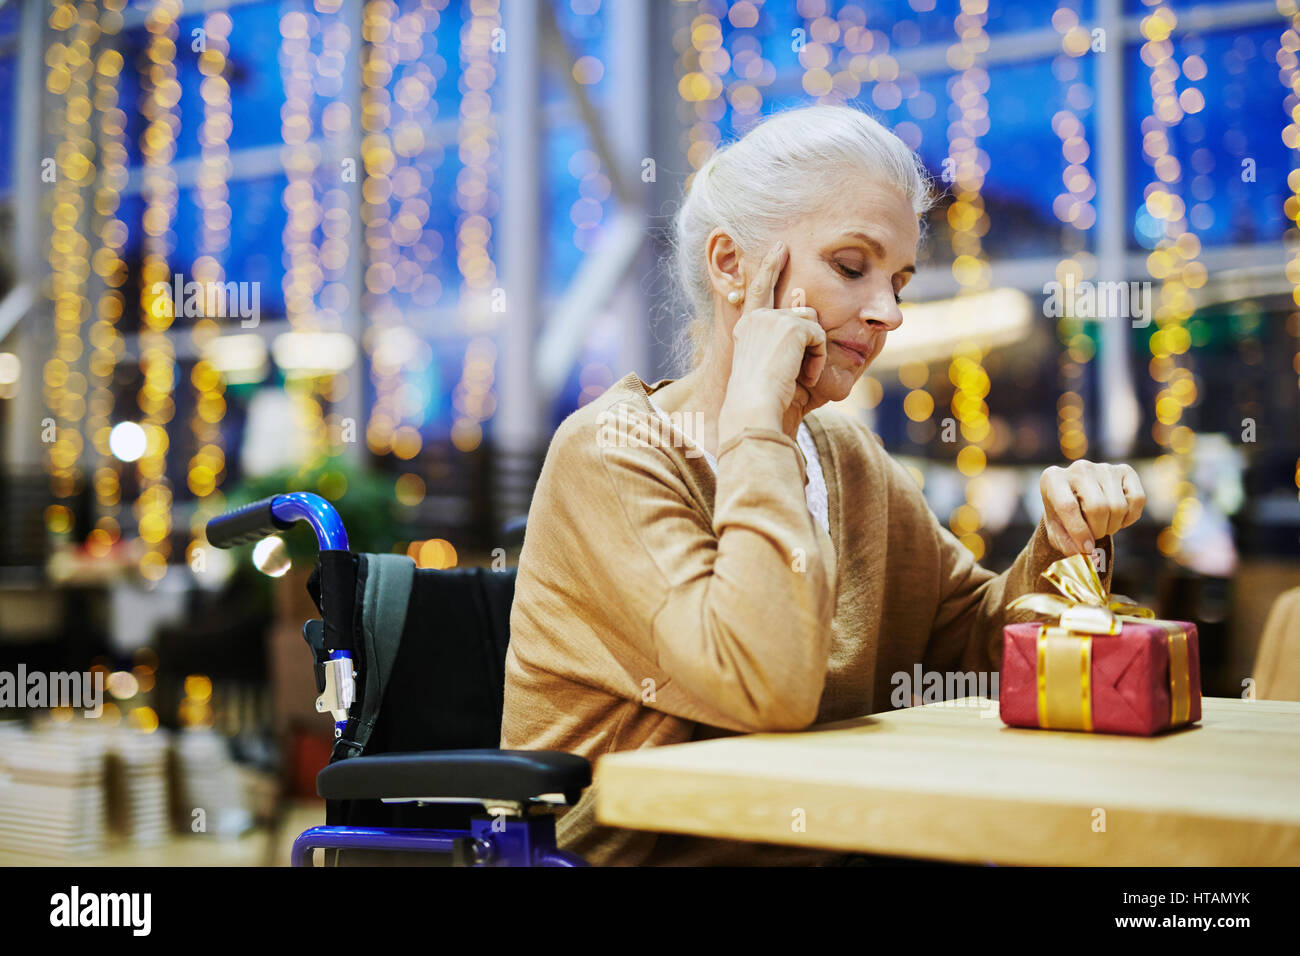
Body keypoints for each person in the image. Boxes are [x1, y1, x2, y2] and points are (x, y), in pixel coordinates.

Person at [501, 104, 1146, 866]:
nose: (889, 313)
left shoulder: (845, 456)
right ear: (731, 265)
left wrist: (1061, 544)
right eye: (850, 267)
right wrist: (757, 420)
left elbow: (972, 645)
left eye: (899, 280)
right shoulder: (612, 453)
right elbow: (763, 686)